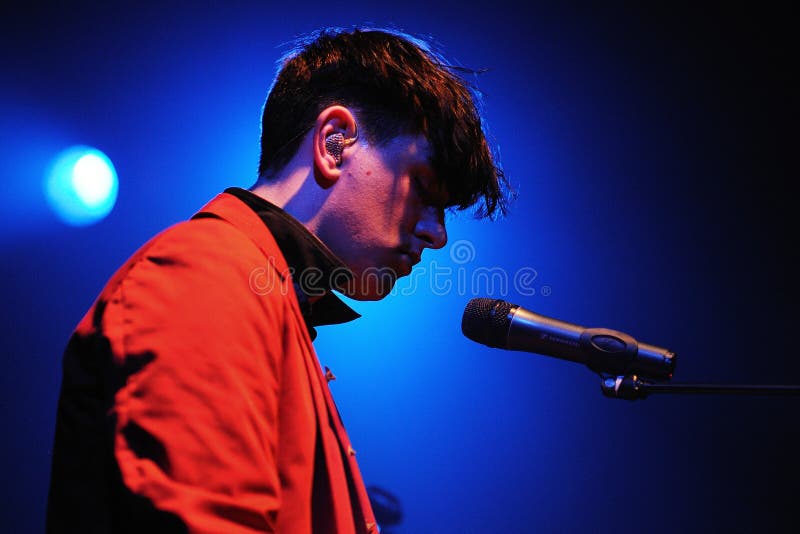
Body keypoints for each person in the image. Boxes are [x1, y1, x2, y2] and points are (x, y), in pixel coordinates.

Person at [47, 27, 508, 533]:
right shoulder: (209, 270)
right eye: (423, 185)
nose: (437, 234)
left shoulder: (258, 286)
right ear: (335, 142)